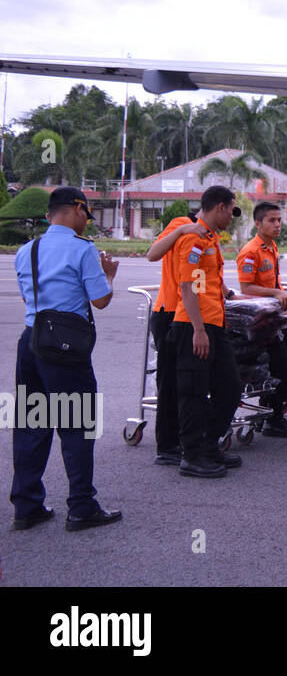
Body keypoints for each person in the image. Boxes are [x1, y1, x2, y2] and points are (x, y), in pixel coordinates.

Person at [11, 187, 121, 530]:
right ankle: (82, 507)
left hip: (31, 342)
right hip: (64, 350)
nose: (85, 223)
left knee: (31, 426)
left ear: (47, 215)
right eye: (85, 216)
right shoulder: (81, 249)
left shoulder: (27, 250)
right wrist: (109, 274)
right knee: (75, 428)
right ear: (77, 208)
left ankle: (27, 506)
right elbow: (100, 300)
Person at [172, 186, 243, 478]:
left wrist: (230, 296)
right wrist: (198, 330)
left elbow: (207, 281)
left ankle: (209, 444)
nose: (232, 217)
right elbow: (187, 287)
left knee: (230, 388)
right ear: (220, 207)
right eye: (230, 210)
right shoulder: (192, 238)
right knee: (194, 394)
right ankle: (192, 455)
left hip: (214, 323)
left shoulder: (210, 238)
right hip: (194, 325)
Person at [144, 211, 207, 465]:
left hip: (188, 313)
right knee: (170, 381)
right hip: (169, 312)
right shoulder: (184, 223)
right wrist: (182, 230)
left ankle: (185, 437)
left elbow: (199, 276)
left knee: (187, 380)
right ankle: (167, 444)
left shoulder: (207, 236)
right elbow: (152, 253)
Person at [235, 202, 287, 438]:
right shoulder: (250, 251)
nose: (277, 224)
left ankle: (269, 414)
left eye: (279, 220)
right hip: (257, 321)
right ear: (257, 223)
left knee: (279, 368)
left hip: (273, 317)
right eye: (272, 220)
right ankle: (273, 418)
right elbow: (246, 287)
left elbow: (274, 282)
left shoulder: (271, 247)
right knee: (281, 367)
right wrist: (276, 293)